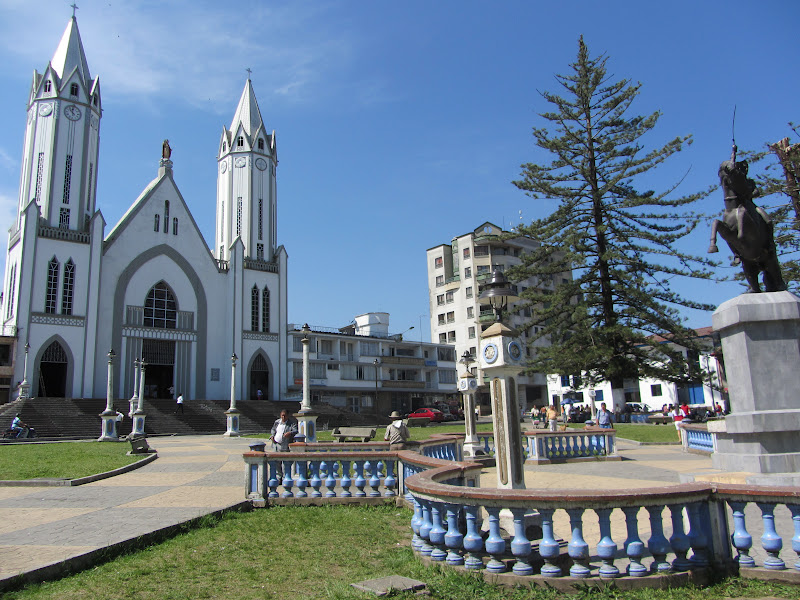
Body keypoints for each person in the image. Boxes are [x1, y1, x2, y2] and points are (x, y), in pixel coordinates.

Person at [270, 410, 298, 481]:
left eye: (285, 415)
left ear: (288, 416)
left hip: (285, 445)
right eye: (282, 415)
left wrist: (290, 433)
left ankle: (285, 477)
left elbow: (295, 430)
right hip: (276, 444)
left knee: (285, 463)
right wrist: (272, 436)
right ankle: (279, 477)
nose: (283, 417)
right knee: (277, 462)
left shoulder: (291, 423)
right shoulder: (277, 422)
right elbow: (273, 429)